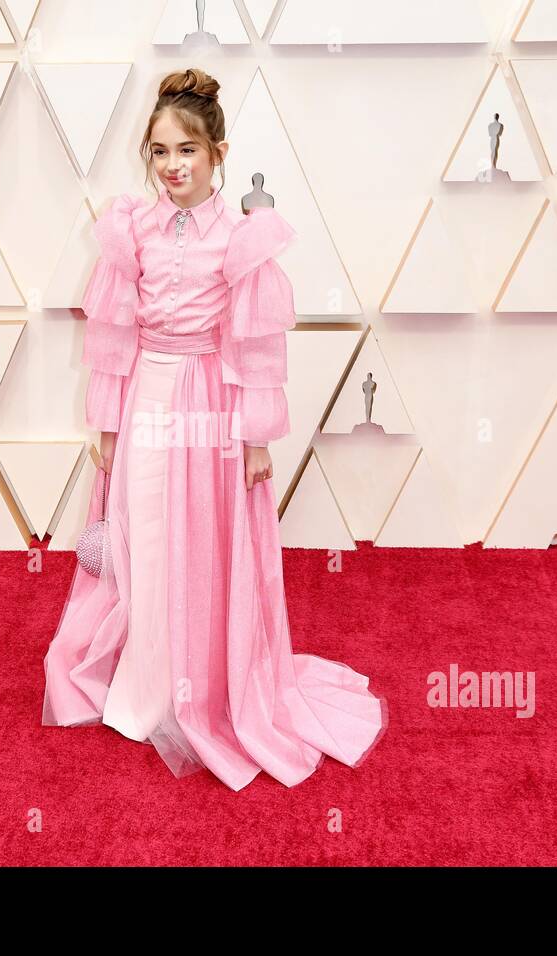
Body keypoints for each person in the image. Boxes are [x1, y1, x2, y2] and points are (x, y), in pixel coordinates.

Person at [41, 67, 387, 791]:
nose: (173, 166)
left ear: (218, 153)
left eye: (188, 151)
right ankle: (144, 682)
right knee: (143, 535)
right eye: (161, 151)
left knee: (198, 541)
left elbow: (255, 345)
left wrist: (256, 436)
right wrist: (107, 420)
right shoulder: (129, 226)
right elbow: (113, 331)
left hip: (208, 402)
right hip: (145, 398)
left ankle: (201, 684)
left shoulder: (241, 237)